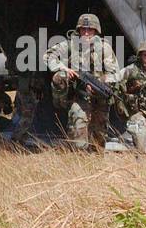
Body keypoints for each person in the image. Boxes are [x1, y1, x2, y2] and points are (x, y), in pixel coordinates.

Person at [45, 13, 119, 151]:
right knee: (77, 134)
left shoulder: (104, 48)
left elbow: (114, 74)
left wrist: (100, 82)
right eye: (83, 29)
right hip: (79, 96)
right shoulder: (70, 45)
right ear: (78, 30)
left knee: (99, 137)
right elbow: (48, 56)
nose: (86, 33)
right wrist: (63, 68)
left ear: (96, 31)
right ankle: (77, 159)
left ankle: (96, 160)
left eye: (89, 29)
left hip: (99, 96)